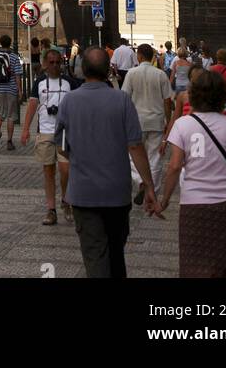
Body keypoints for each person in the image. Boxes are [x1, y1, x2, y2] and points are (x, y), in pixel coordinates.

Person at [53, 47, 161, 278]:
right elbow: (135, 146)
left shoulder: (69, 101)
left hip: (84, 193)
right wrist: (149, 185)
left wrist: (79, 156)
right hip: (117, 193)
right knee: (115, 253)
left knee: (95, 256)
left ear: (82, 70)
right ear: (108, 70)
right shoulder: (122, 101)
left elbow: (61, 145)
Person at [160, 68, 226, 278]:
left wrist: (165, 199)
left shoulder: (182, 125)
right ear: (222, 97)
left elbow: (175, 166)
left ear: (193, 94)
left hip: (194, 205)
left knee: (194, 264)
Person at [19, 48, 72, 225]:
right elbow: (32, 106)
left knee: (66, 170)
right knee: (48, 171)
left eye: (58, 62)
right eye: (51, 62)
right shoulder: (39, 82)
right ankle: (51, 209)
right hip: (46, 131)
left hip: (65, 132)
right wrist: (26, 129)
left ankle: (66, 200)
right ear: (44, 64)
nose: (55, 66)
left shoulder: (69, 83)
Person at [123, 43, 173, 203]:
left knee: (133, 156)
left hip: (137, 121)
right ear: (152, 57)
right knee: (155, 157)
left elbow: (125, 98)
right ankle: (153, 190)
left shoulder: (131, 74)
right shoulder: (161, 75)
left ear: (139, 56)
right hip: (157, 121)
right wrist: (168, 120)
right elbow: (167, 101)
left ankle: (141, 181)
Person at [0, 33, 23, 152]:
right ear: (10, 44)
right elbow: (18, 75)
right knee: (11, 116)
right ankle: (9, 142)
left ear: (0, 43)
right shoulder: (14, 57)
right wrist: (20, 90)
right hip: (11, 89)